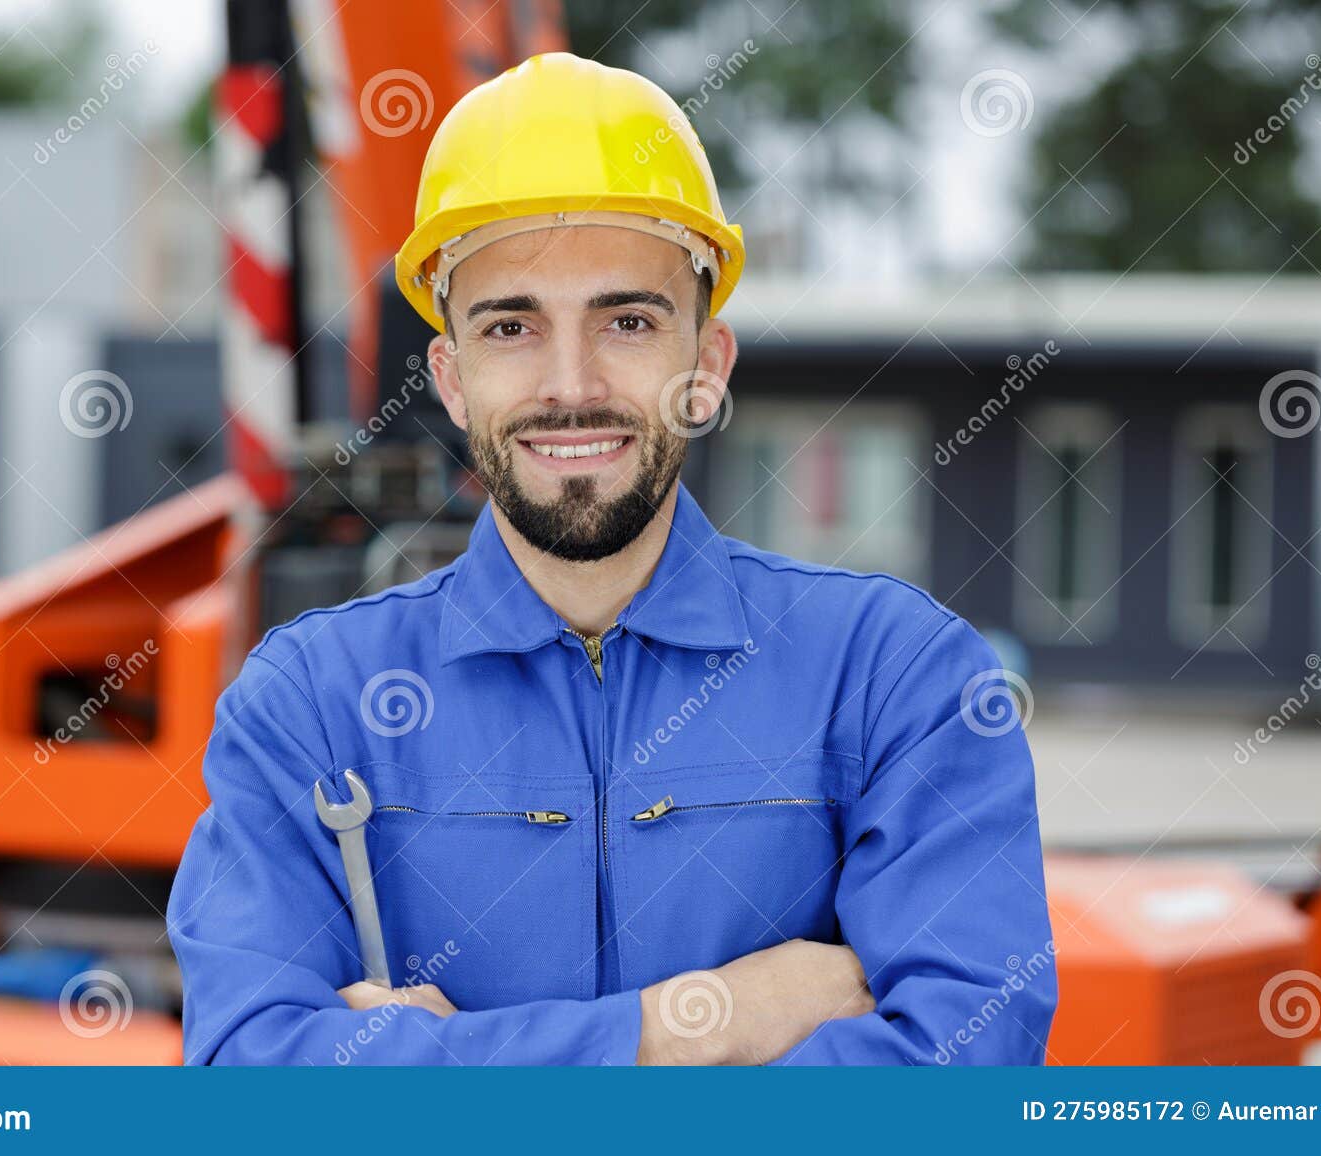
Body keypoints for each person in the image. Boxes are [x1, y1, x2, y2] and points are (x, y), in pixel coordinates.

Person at [168, 51, 1057, 1065]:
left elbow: (962, 1068)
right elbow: (251, 1074)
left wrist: (449, 1065)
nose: (569, 384)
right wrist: (684, 1029)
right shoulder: (310, 704)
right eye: (511, 326)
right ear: (452, 383)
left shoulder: (894, 675)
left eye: (627, 320)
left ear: (706, 365)